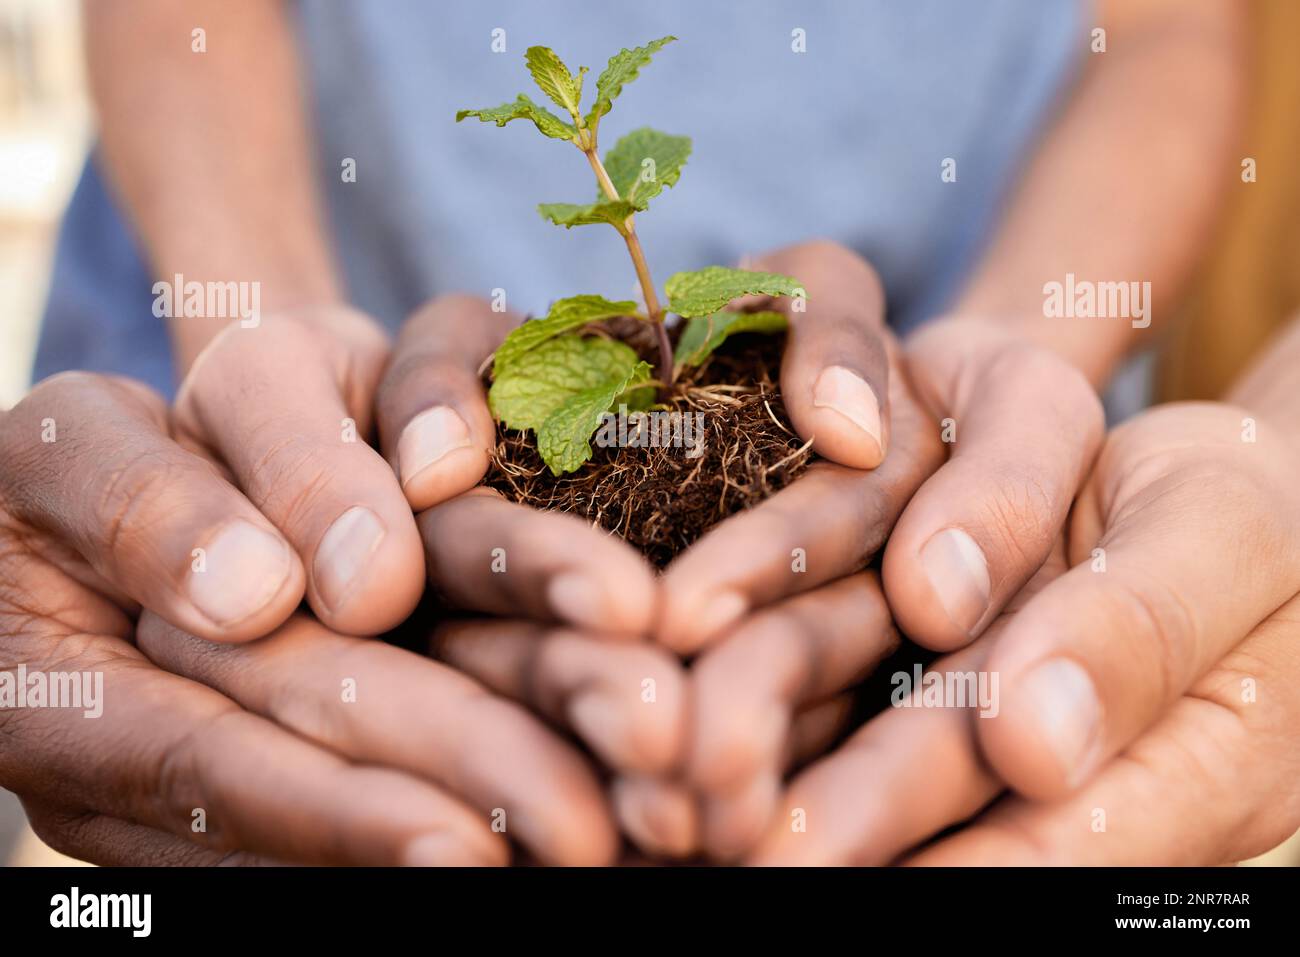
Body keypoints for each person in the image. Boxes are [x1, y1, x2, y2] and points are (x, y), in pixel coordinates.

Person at [3, 0, 1277, 865]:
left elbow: (1165, 23)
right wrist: (261, 343)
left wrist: (1027, 354)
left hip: (937, 411)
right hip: (260, 328)